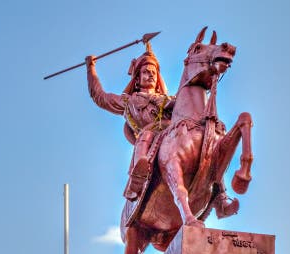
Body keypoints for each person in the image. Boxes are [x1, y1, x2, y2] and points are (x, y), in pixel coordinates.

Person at [85, 43, 237, 217]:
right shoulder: (128, 102)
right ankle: (139, 176)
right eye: (145, 72)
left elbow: (186, 107)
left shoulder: (169, 99)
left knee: (207, 143)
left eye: (153, 72)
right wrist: (91, 68)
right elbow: (100, 97)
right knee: (147, 134)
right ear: (137, 77)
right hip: (150, 138)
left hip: (175, 135)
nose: (150, 75)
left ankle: (220, 196)